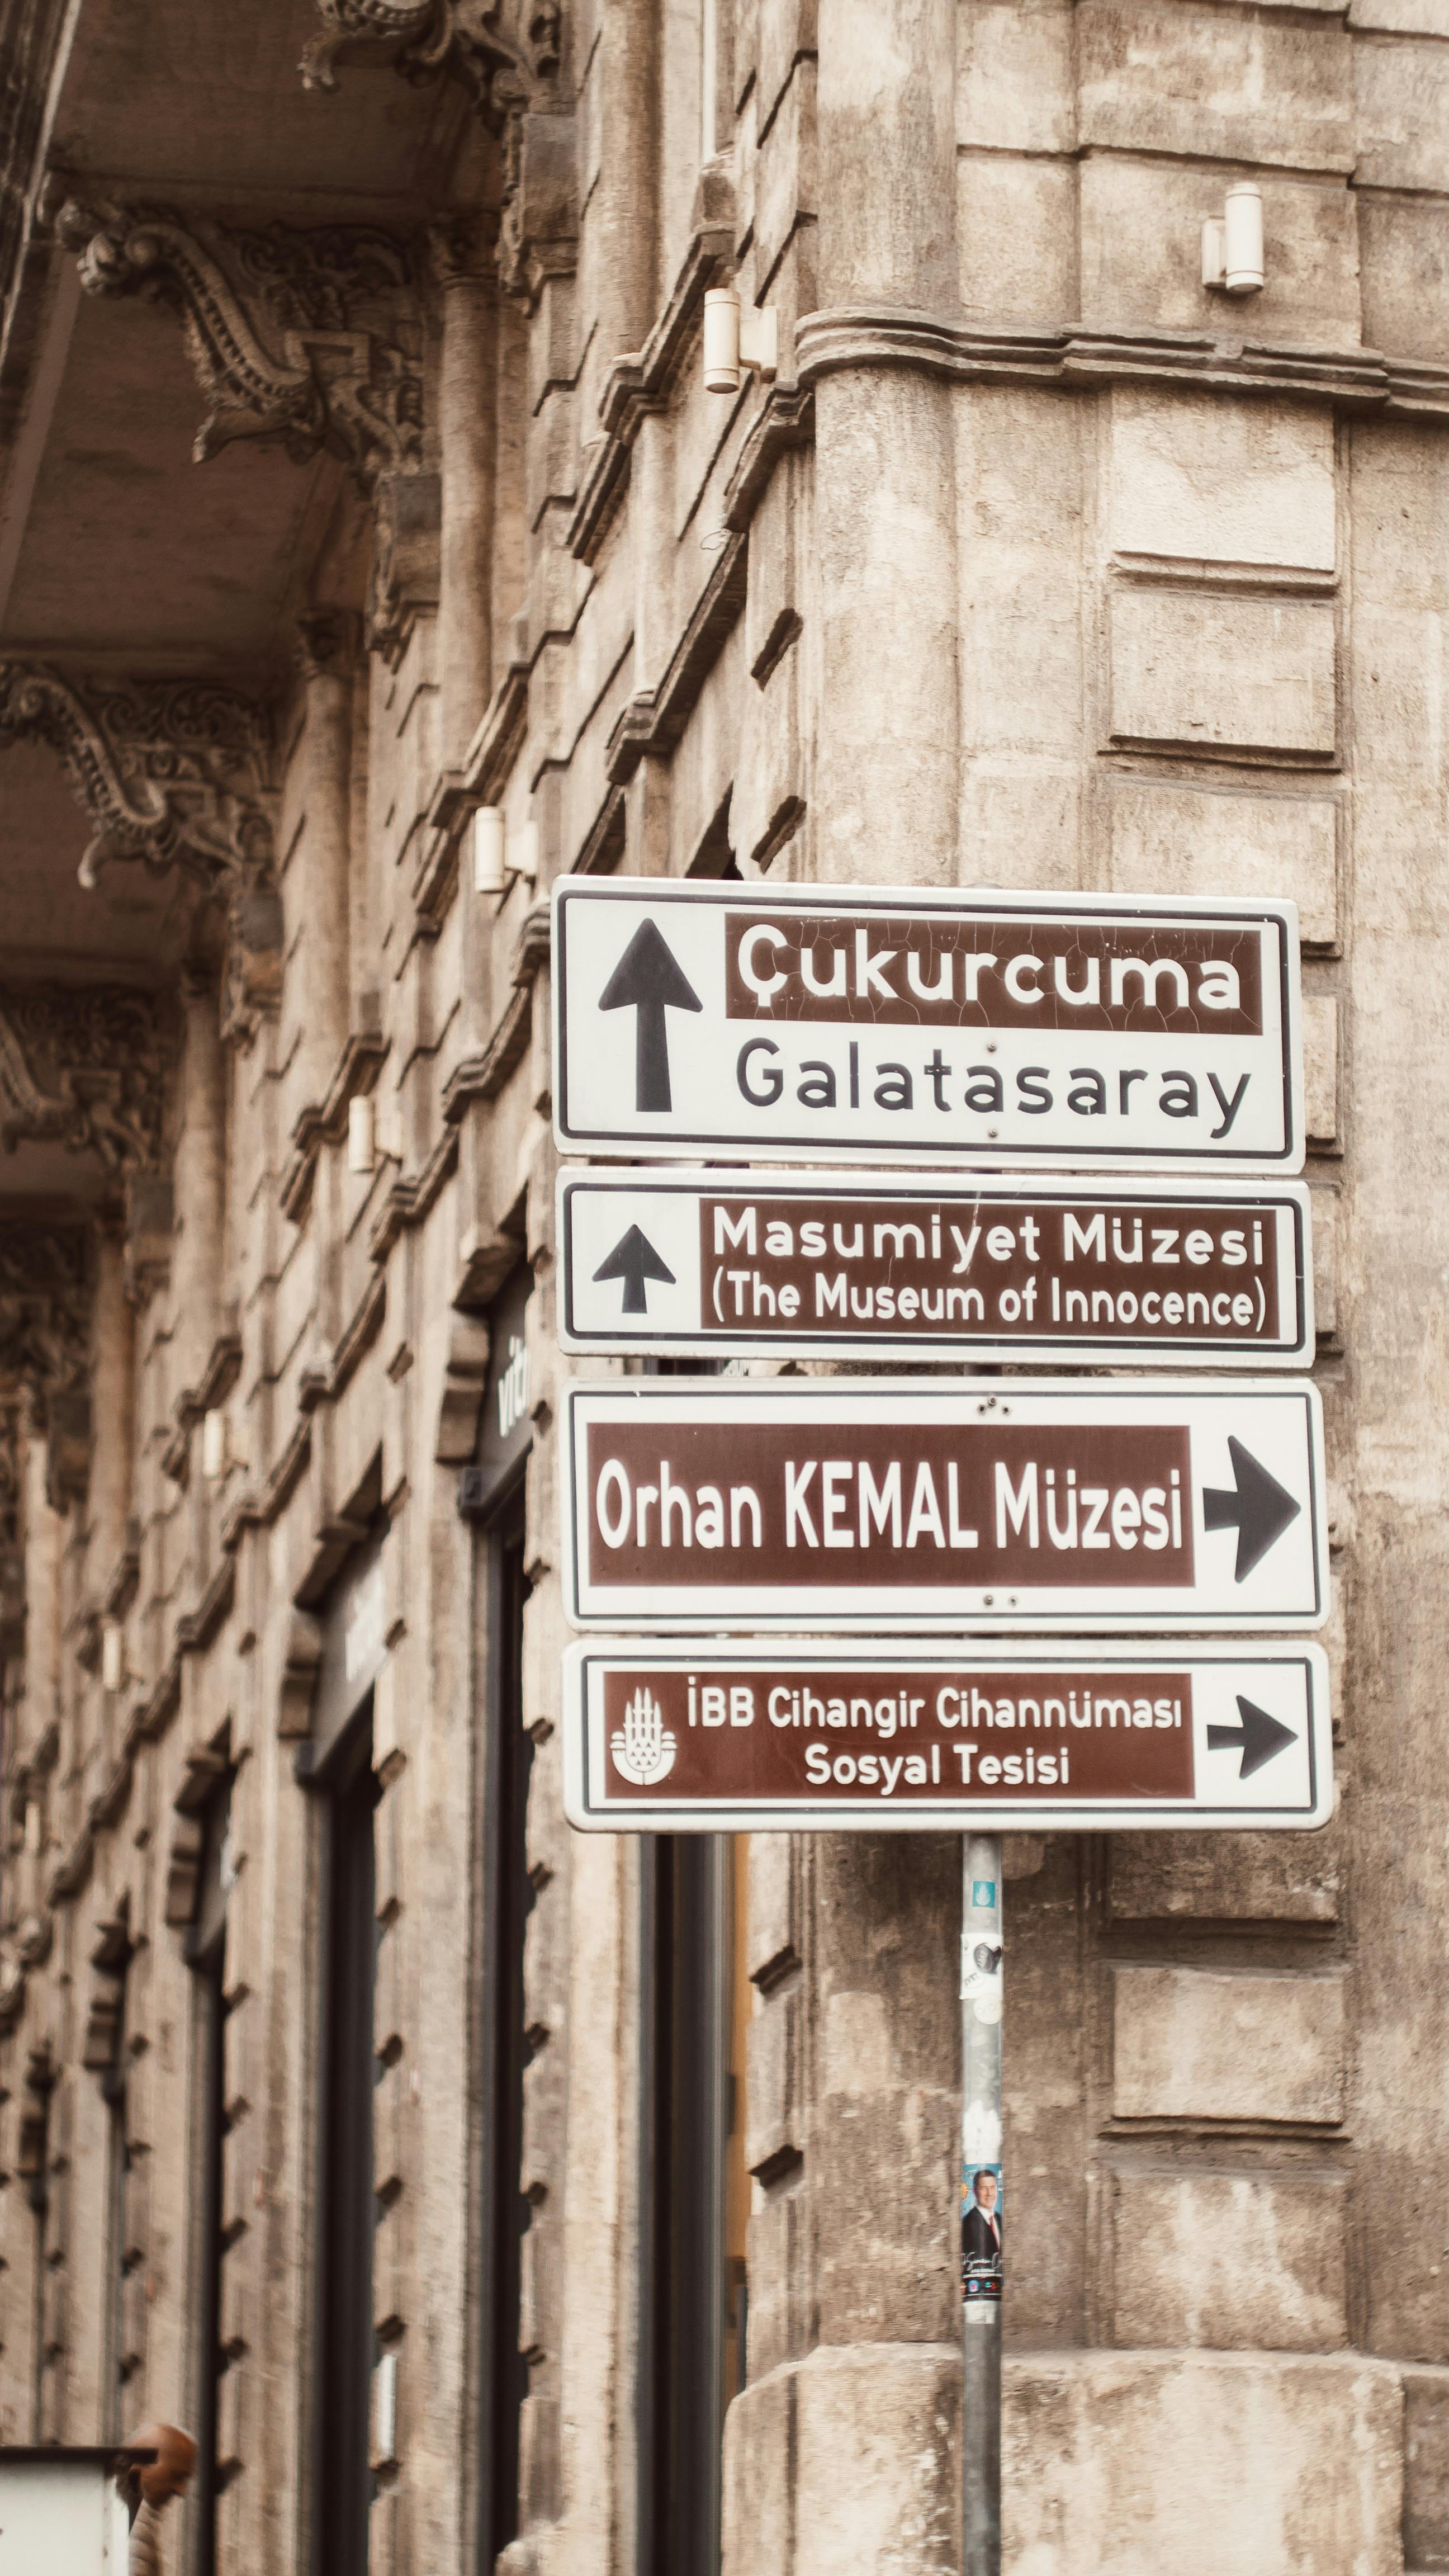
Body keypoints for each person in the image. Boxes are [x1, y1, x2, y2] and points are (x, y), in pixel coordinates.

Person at [124, 2422, 197, 2576]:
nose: (180, 2491)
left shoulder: (131, 2516)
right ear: (142, 2466)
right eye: (176, 2476)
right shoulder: (128, 2521)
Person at [962, 2167, 1003, 2295]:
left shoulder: (999, 2219)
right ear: (975, 2192)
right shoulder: (968, 2223)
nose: (990, 2194)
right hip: (977, 2291)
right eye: (984, 2188)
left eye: (993, 2187)